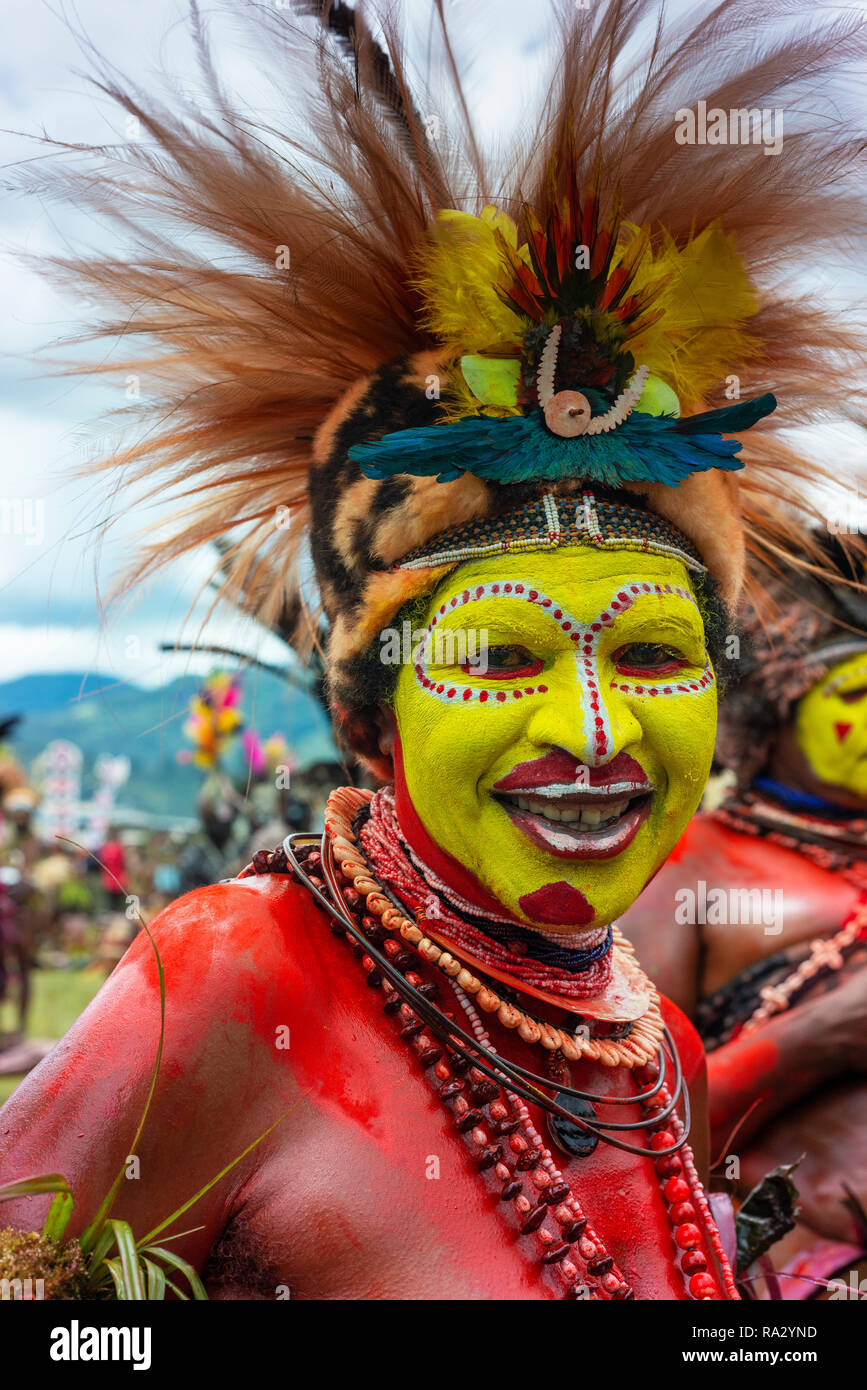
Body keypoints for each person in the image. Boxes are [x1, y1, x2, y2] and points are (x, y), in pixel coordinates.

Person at [1, 1, 865, 1301]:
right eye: (503, 660)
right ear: (374, 714)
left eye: (647, 657)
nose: (590, 732)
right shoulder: (232, 976)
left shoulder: (656, 1049)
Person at [622, 544, 867, 1284]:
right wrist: (817, 1038)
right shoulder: (684, 865)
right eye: (856, 698)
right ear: (771, 711)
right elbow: (622, 1138)